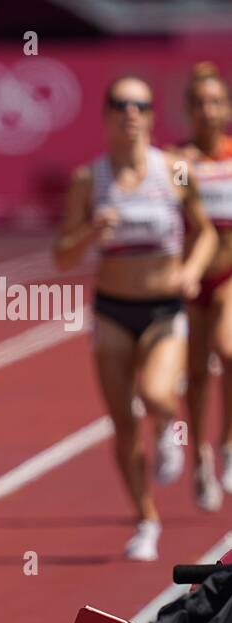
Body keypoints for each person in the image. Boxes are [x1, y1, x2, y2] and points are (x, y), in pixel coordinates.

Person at [54, 76, 216, 561]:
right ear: (106, 115)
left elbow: (204, 232)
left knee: (157, 394)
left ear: (151, 115)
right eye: (121, 104)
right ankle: (146, 519)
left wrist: (191, 271)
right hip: (112, 310)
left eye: (141, 105)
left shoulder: (177, 170)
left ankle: (168, 427)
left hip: (164, 307)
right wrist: (88, 231)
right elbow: (62, 255)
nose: (131, 113)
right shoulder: (90, 179)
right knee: (123, 424)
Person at [173, 62, 232, 511]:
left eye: (215, 102)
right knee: (195, 375)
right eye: (199, 103)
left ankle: (228, 442)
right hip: (194, 281)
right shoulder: (179, 162)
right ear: (189, 110)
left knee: (228, 352)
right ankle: (200, 460)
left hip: (230, 276)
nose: (208, 110)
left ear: (226, 107)